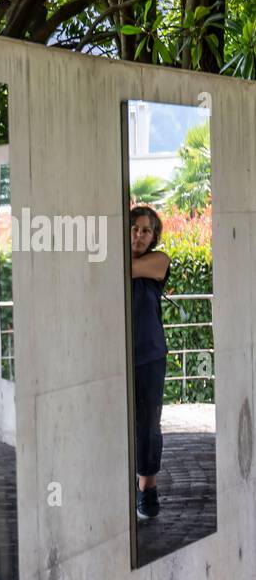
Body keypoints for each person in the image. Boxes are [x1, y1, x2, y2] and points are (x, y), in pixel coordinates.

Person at [129, 205, 170, 522]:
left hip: (150, 356)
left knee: (148, 424)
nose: (139, 235)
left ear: (154, 236)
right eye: (134, 228)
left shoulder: (159, 260)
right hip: (113, 357)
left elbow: (125, 269)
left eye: (146, 230)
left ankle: (148, 488)